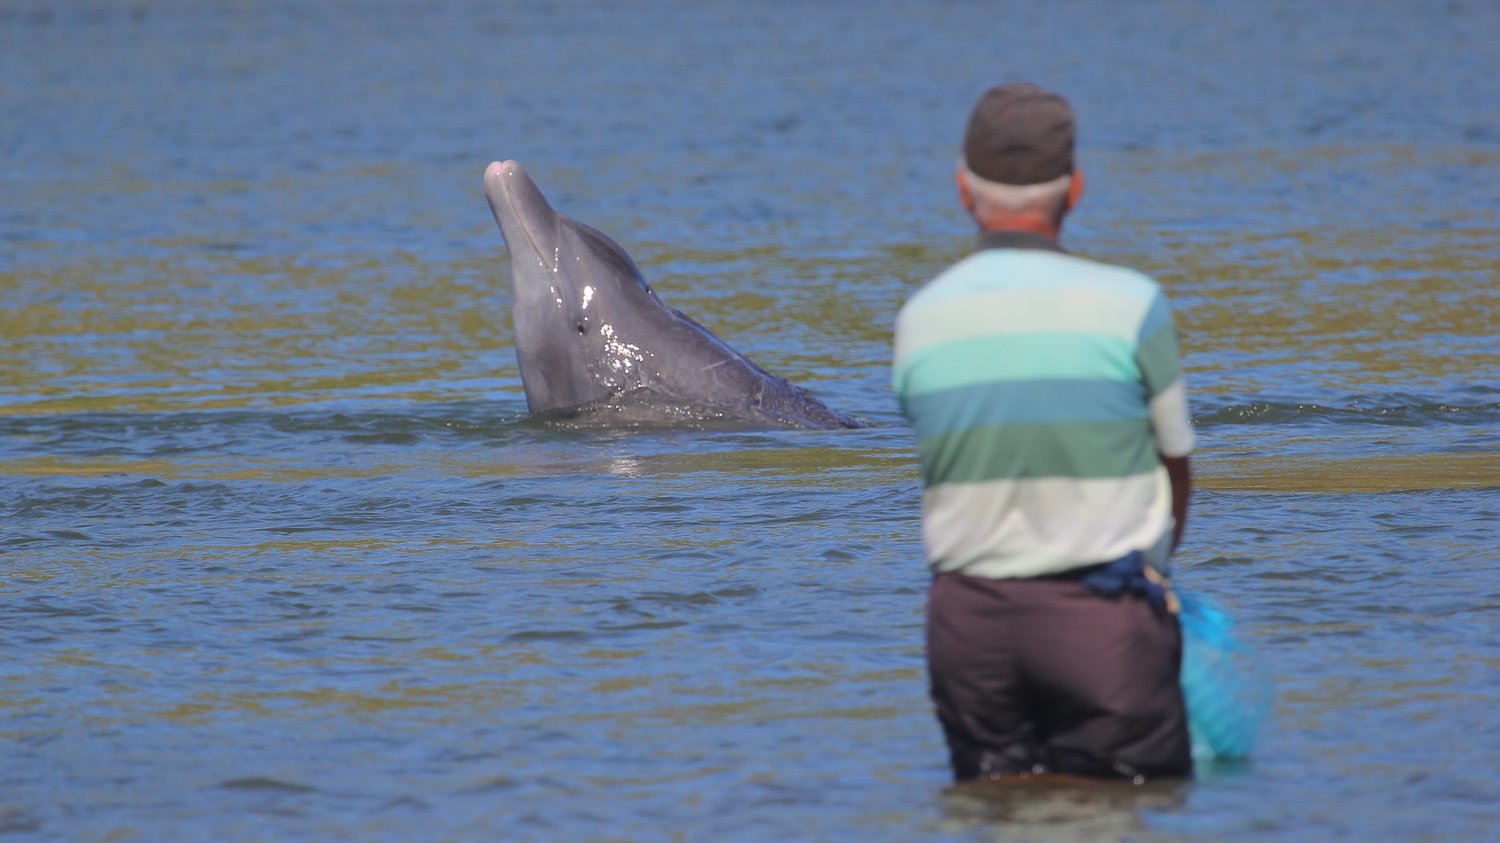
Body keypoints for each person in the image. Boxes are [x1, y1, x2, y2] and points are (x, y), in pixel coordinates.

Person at [891, 83, 1196, 783]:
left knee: (994, 811)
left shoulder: (920, 320)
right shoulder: (1134, 306)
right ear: (1077, 189)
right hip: (1102, 623)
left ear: (964, 190)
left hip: (968, 629)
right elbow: (1176, 464)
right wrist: (1156, 567)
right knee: (1130, 806)